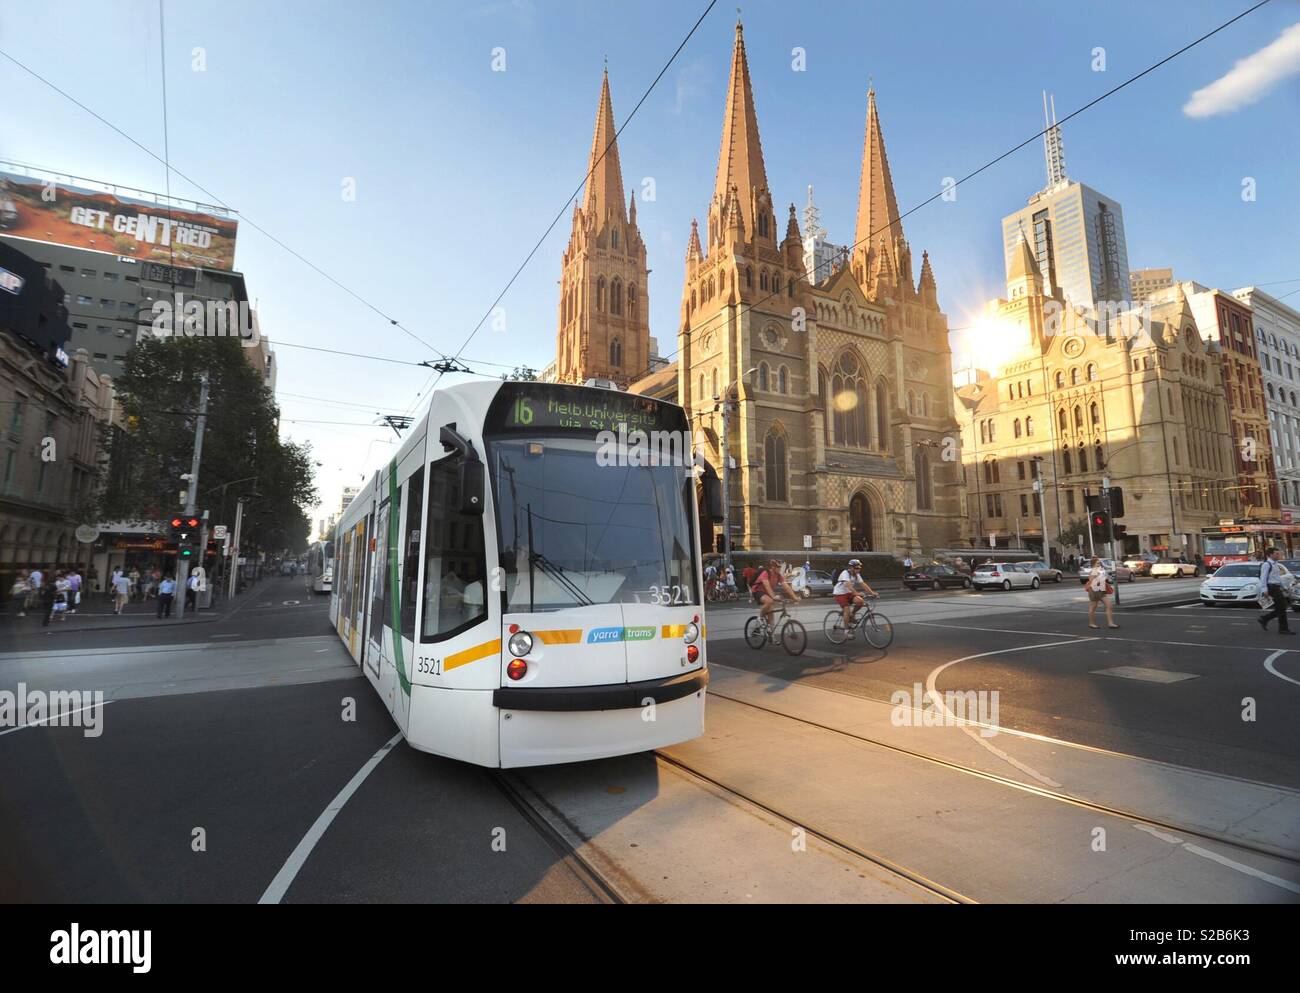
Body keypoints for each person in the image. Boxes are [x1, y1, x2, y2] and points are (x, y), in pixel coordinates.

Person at [834, 558, 879, 635]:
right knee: (846, 610)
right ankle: (846, 631)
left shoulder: (857, 575)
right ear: (851, 567)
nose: (858, 570)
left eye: (859, 568)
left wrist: (872, 593)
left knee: (860, 601)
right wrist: (857, 593)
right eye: (856, 568)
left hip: (848, 593)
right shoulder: (845, 573)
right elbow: (847, 585)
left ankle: (852, 615)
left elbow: (863, 584)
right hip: (840, 593)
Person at [753, 559, 798, 631]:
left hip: (766, 593)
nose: (780, 568)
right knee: (770, 601)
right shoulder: (766, 573)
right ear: (773, 567)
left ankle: (772, 637)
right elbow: (767, 586)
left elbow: (786, 587)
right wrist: (774, 597)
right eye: (778, 567)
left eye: (780, 567)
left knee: (771, 615)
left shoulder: (779, 576)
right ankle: (759, 618)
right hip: (757, 591)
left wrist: (794, 597)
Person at [1257, 548, 1293, 636]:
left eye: (1278, 553)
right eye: (1276, 554)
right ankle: (1283, 628)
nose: (1278, 555)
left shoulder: (1276, 564)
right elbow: (1263, 578)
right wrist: (1264, 590)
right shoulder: (1267, 564)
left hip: (1276, 587)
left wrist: (1283, 587)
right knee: (1282, 607)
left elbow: (1277, 577)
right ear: (1270, 555)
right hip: (1271, 587)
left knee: (1281, 608)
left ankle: (1265, 619)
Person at [1086, 555, 1118, 629]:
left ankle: (1110, 623)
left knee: (1109, 605)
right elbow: (1092, 581)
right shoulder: (1094, 571)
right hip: (1094, 591)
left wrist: (1107, 579)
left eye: (1099, 563)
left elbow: (1106, 578)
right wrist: (1100, 580)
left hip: (1102, 590)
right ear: (1093, 564)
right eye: (1097, 563)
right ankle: (1091, 623)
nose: (1099, 564)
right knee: (1093, 608)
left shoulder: (1101, 570)